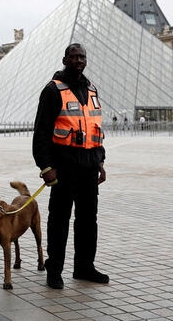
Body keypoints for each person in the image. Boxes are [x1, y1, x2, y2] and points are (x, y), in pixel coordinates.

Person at [32, 43, 109, 289]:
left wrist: (101, 161)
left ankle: (84, 267)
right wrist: (46, 167)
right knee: (59, 220)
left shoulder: (92, 89)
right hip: (63, 168)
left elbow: (95, 128)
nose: (78, 60)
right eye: (74, 56)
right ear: (65, 59)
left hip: (88, 166)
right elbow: (41, 132)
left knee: (88, 220)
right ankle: (54, 270)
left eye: (82, 57)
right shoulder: (53, 90)